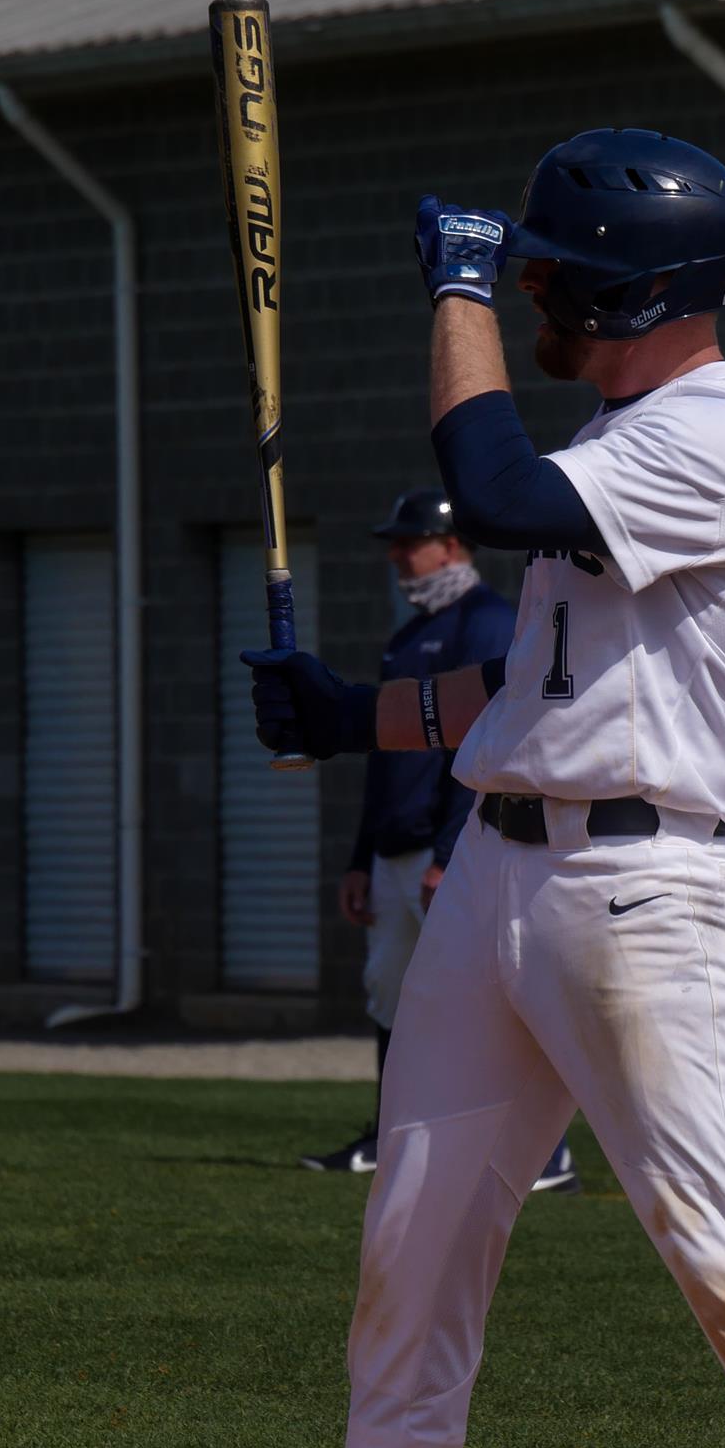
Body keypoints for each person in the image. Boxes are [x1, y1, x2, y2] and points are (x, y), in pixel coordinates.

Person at [243, 129, 725, 1448]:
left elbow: (490, 493)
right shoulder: (621, 443)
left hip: (641, 896)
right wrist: (351, 716)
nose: (535, 295)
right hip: (494, 879)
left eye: (554, 277)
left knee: (722, 1248)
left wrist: (458, 291)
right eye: (527, 275)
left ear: (638, 294)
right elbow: (530, 693)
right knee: (412, 1246)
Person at [304, 489, 574, 1195]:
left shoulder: (488, 622)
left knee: (496, 996)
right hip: (396, 847)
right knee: (390, 992)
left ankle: (548, 1154)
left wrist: (451, 852)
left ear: (451, 545)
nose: (398, 555)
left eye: (410, 541)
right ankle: (391, 1137)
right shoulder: (407, 636)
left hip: (449, 847)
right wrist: (360, 856)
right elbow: (383, 759)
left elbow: (485, 747)